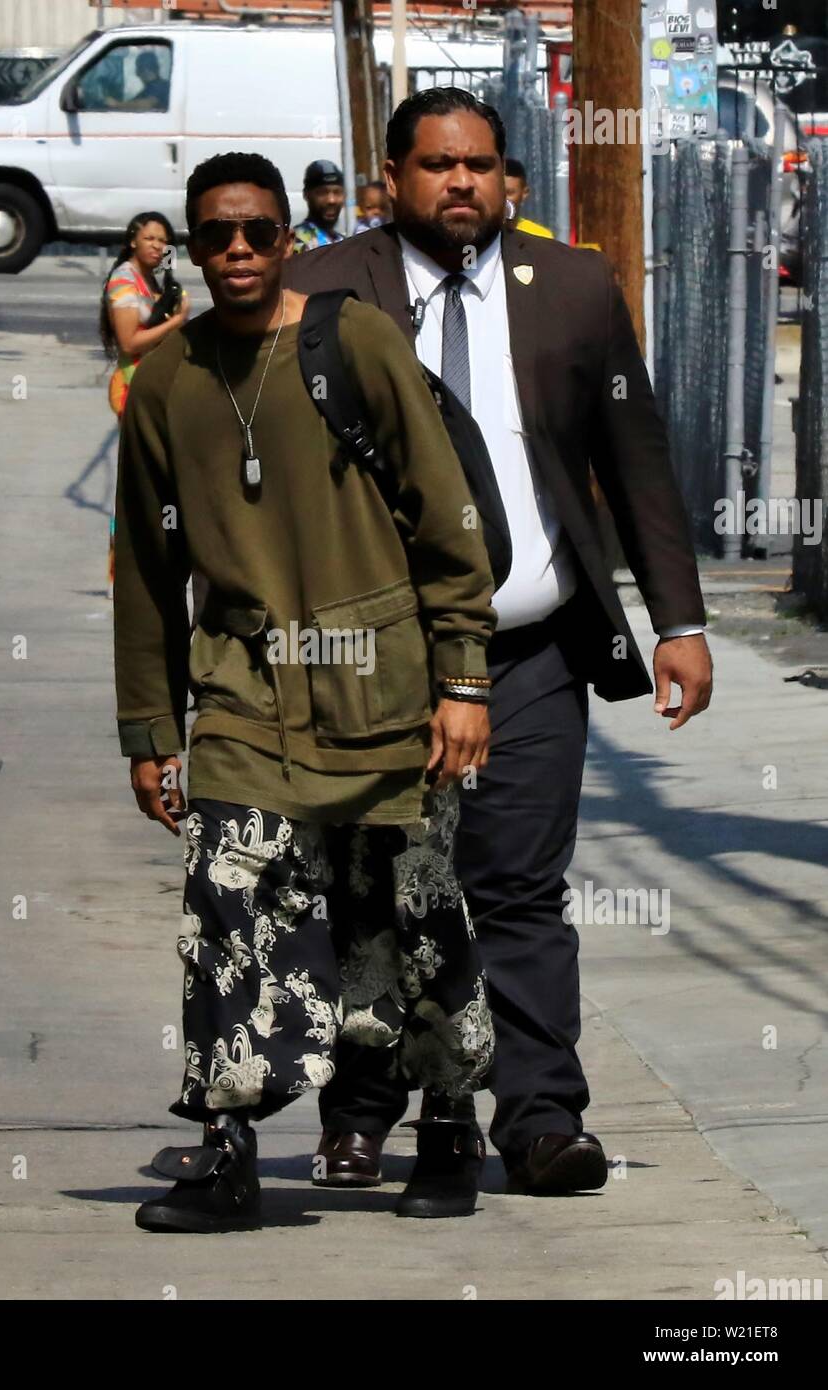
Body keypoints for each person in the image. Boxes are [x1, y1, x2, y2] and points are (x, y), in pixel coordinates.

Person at [285, 86, 713, 1200]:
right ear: (391, 179)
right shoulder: (322, 293)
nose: (462, 183)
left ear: (507, 175)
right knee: (375, 889)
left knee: (521, 894)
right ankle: (363, 1113)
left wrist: (681, 622)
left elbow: (637, 454)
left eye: (481, 164)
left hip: (532, 653)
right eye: (436, 165)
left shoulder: (571, 286)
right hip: (375, 666)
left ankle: (540, 1118)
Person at [114, 151, 499, 1233]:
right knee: (225, 914)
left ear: (289, 238)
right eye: (214, 237)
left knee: (409, 919)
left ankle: (449, 1126)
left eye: (256, 233)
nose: (237, 251)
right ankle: (230, 1149)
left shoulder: (357, 342)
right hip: (240, 693)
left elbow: (449, 520)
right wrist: (150, 728)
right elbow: (146, 571)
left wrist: (464, 679)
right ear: (191, 250)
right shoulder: (164, 382)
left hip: (384, 694)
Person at [99, 211, 188, 595]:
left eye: (162, 240)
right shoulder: (123, 280)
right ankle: (125, 568)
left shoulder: (154, 281)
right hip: (134, 388)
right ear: (133, 239)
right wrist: (177, 321)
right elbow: (130, 342)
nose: (156, 245)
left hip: (157, 390)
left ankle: (155, 562)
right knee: (139, 481)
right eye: (150, 238)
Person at [292, 159, 346, 252]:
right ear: (306, 195)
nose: (331, 200)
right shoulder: (296, 242)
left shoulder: (343, 242)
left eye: (337, 192)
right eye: (323, 192)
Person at [504, 157, 554, 239]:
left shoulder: (540, 236)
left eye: (509, 193)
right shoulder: (480, 234)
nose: (502, 199)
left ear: (524, 193)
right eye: (498, 192)